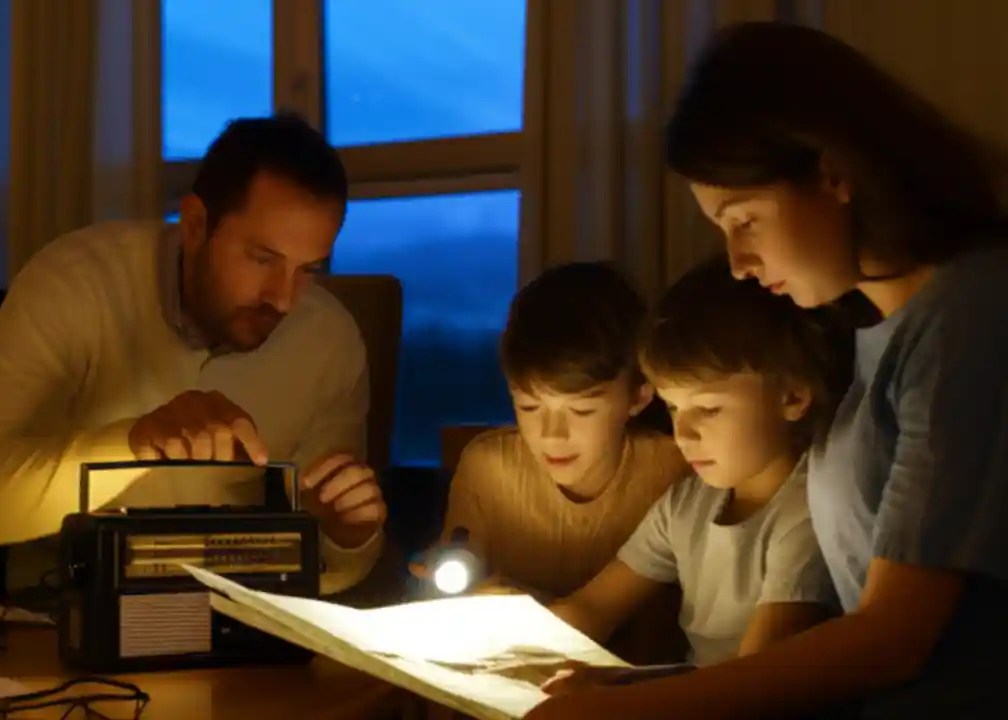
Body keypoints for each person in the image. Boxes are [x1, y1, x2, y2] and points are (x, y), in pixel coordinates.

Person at [528, 21, 1008, 719]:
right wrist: (637, 685)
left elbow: (894, 640)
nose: (737, 264)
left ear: (833, 170)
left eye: (744, 219)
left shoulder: (969, 317)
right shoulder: (879, 332)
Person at [0, 115, 386, 596]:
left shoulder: (328, 340)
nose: (283, 298)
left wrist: (347, 536)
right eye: (262, 259)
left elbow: (326, 565)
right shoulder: (76, 284)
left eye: (307, 270)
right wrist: (134, 443)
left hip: (241, 635)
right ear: (194, 225)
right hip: (55, 621)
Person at [550, 255, 845, 674]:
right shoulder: (688, 503)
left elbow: (753, 680)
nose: (683, 433)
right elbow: (593, 607)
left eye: (707, 409)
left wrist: (618, 693)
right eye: (673, 407)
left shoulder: (808, 512)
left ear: (792, 397)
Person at [425, 262, 688, 610]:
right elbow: (455, 580)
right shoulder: (488, 469)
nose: (551, 435)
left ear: (639, 396)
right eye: (529, 407)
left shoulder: (677, 470)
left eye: (581, 411)